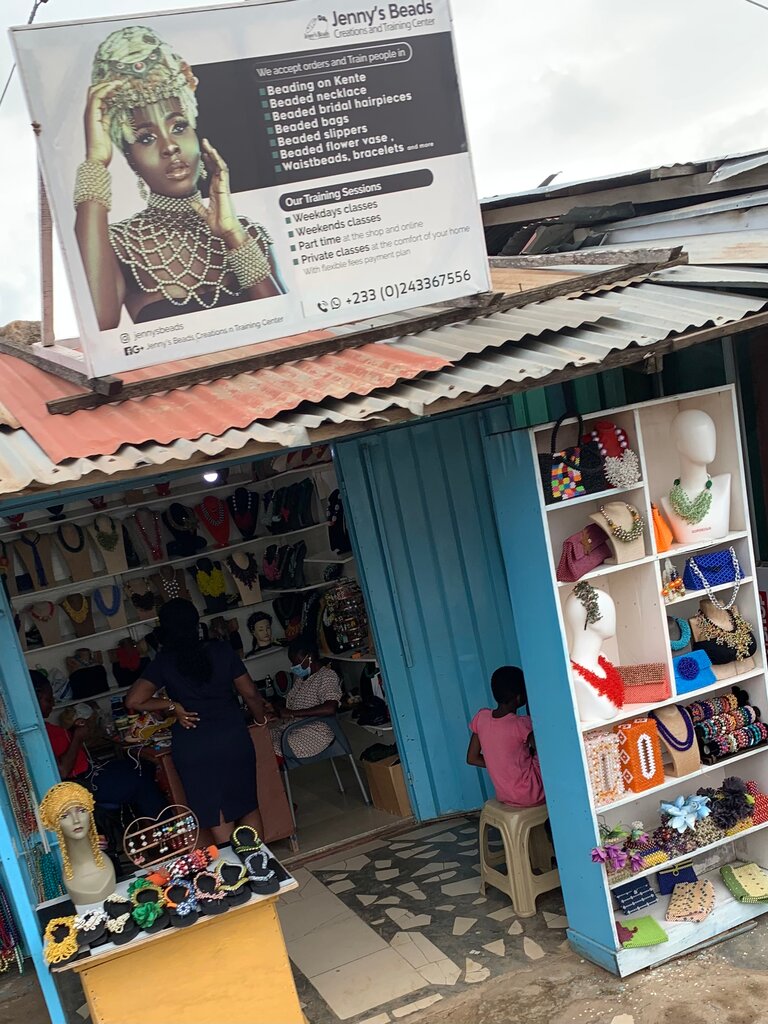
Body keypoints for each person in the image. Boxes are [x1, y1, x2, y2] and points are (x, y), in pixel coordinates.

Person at [74, 25, 285, 329]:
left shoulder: (247, 235)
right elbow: (99, 322)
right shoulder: (121, 243)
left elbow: (286, 325)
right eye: (146, 138)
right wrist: (95, 160)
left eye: (178, 127)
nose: (170, 146)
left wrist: (232, 236)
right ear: (130, 158)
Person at [126, 598, 271, 844]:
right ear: (196, 622)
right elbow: (250, 693)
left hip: (194, 745)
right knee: (247, 804)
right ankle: (260, 865)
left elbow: (134, 700)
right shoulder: (221, 650)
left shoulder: (164, 661)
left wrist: (173, 706)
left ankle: (233, 874)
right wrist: (260, 719)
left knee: (216, 813)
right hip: (232, 737)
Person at [32, 671, 165, 817]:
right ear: (35, 696)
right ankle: (165, 826)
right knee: (140, 779)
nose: (52, 704)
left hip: (93, 771)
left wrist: (72, 731)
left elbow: (60, 746)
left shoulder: (42, 726)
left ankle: (153, 820)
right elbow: (62, 770)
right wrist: (77, 738)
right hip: (84, 783)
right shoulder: (34, 735)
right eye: (48, 700)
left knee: (144, 766)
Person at [466, 666, 544, 808]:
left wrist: (501, 766)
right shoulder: (521, 724)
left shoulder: (481, 718)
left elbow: (472, 758)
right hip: (533, 794)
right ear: (520, 697)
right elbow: (544, 751)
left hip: (506, 795)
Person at [270, 640, 343, 759]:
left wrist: (292, 713)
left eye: (296, 662)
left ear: (310, 657)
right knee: (263, 738)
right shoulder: (301, 679)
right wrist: (273, 707)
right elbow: (291, 702)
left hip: (315, 734)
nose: (294, 667)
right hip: (295, 728)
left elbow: (330, 708)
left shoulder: (326, 676)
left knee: (269, 751)